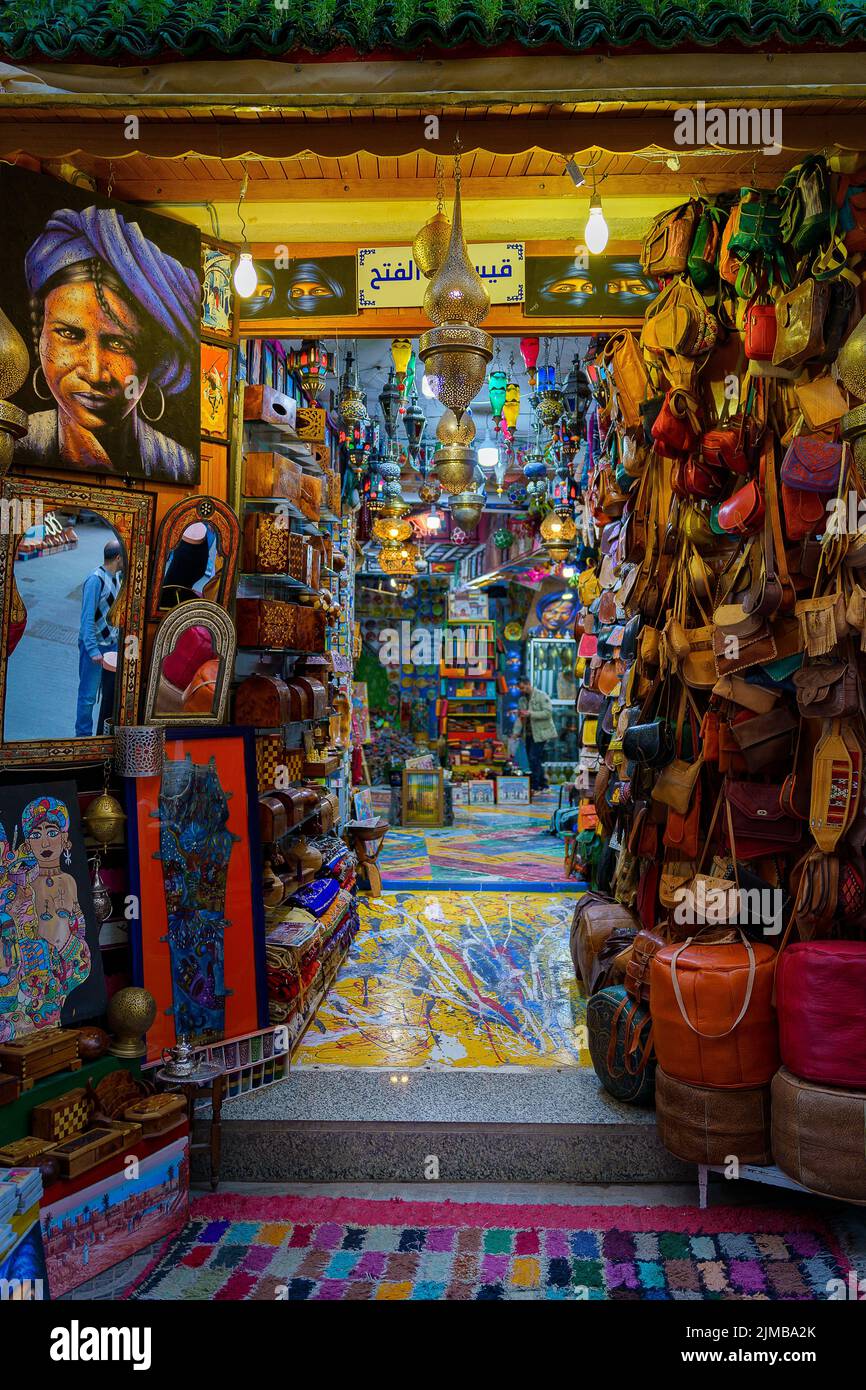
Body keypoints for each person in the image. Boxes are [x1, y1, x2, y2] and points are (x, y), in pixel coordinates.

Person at [14, 204, 199, 483]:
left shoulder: (180, 465)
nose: (94, 372)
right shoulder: (16, 444)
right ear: (39, 334)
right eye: (69, 335)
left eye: (119, 344)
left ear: (153, 357)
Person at [76, 539, 123, 737]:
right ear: (118, 557)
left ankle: (99, 738)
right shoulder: (95, 580)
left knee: (108, 696)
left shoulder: (118, 578)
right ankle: (82, 738)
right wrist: (93, 650)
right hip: (95, 650)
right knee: (87, 697)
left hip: (111, 647)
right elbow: (86, 620)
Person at [517, 677, 558, 796]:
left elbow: (548, 712)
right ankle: (543, 785)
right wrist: (516, 732)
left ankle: (536, 786)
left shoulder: (541, 695)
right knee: (534, 760)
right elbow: (520, 718)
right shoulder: (522, 699)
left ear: (529, 684)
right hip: (529, 734)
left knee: (534, 758)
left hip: (540, 734)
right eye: (520, 689)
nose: (522, 690)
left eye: (523, 687)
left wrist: (530, 713)